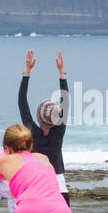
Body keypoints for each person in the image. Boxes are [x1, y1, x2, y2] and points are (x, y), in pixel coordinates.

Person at [17, 49, 70, 205]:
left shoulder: (32, 132)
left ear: (39, 118)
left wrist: (27, 71)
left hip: (36, 182)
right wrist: (61, 73)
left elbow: (22, 102)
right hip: (59, 183)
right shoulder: (59, 132)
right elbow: (65, 100)